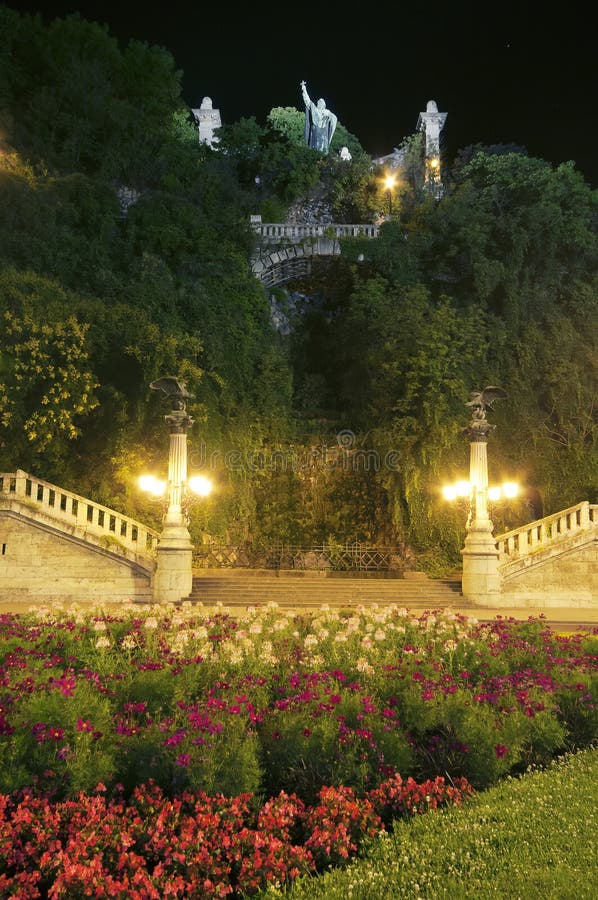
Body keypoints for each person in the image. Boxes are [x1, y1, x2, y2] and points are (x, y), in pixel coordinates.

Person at [301, 81, 337, 154]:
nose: (319, 104)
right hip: (314, 131)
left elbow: (334, 117)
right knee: (313, 148)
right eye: (318, 102)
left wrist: (330, 117)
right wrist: (304, 90)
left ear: (324, 105)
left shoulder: (326, 111)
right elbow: (308, 101)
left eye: (321, 103)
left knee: (322, 149)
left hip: (323, 133)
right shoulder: (315, 109)